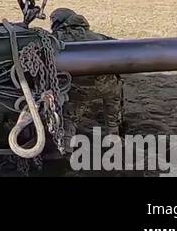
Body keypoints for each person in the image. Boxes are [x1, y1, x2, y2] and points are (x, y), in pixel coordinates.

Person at [50, 8, 124, 136]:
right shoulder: (99, 37)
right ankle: (114, 130)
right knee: (114, 94)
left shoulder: (54, 40)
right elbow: (120, 51)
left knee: (69, 118)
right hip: (106, 86)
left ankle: (66, 147)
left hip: (77, 90)